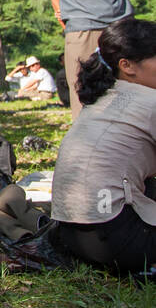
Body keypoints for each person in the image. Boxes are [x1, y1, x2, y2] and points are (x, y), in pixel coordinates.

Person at [53, 18, 156, 276]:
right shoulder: (150, 100)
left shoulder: (102, 100)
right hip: (116, 239)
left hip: (71, 236)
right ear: (127, 66)